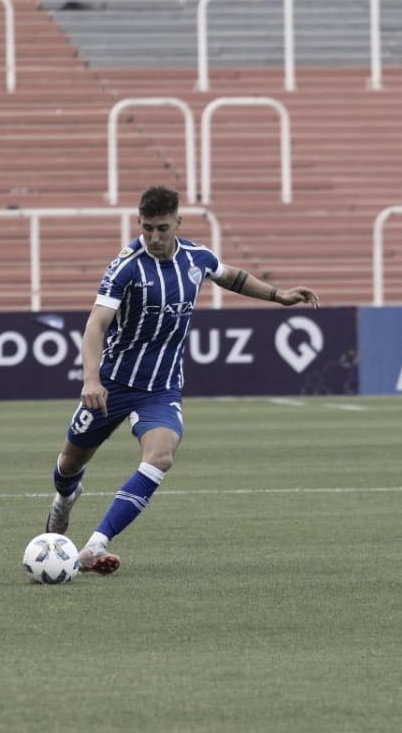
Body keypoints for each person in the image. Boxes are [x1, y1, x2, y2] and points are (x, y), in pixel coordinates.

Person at [43, 184, 320, 575]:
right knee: (70, 465)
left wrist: (279, 295)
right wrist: (91, 380)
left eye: (162, 228)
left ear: (178, 223)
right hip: (113, 385)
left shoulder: (197, 257)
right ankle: (64, 500)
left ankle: (94, 544)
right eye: (147, 228)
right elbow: (95, 325)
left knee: (161, 457)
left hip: (161, 388)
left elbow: (232, 276)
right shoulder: (126, 266)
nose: (154, 237)